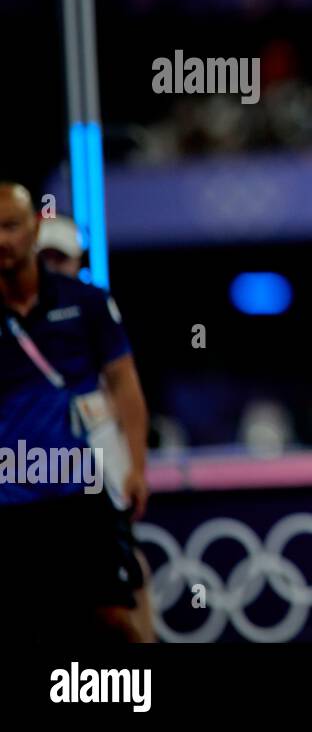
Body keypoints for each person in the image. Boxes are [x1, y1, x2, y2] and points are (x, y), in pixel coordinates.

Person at [0, 184, 153, 641]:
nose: (2, 239)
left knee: (113, 616)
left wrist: (137, 466)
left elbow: (125, 383)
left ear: (33, 228)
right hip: (10, 497)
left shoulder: (85, 302)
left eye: (11, 226)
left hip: (81, 489)